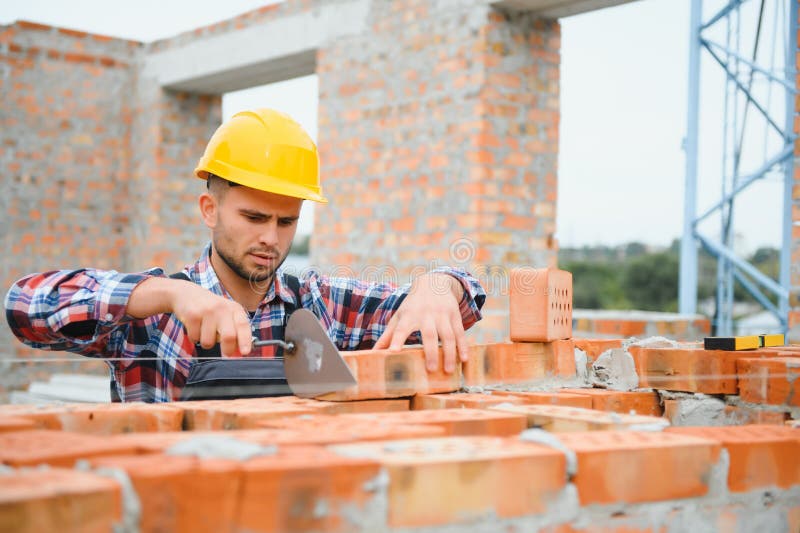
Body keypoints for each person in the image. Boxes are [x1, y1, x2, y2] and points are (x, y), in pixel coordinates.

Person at [4, 108, 486, 402]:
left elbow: (460, 305)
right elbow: (24, 307)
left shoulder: (318, 306)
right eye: (254, 219)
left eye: (286, 222)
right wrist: (170, 294)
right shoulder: (151, 315)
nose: (272, 240)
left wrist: (439, 285)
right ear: (209, 209)